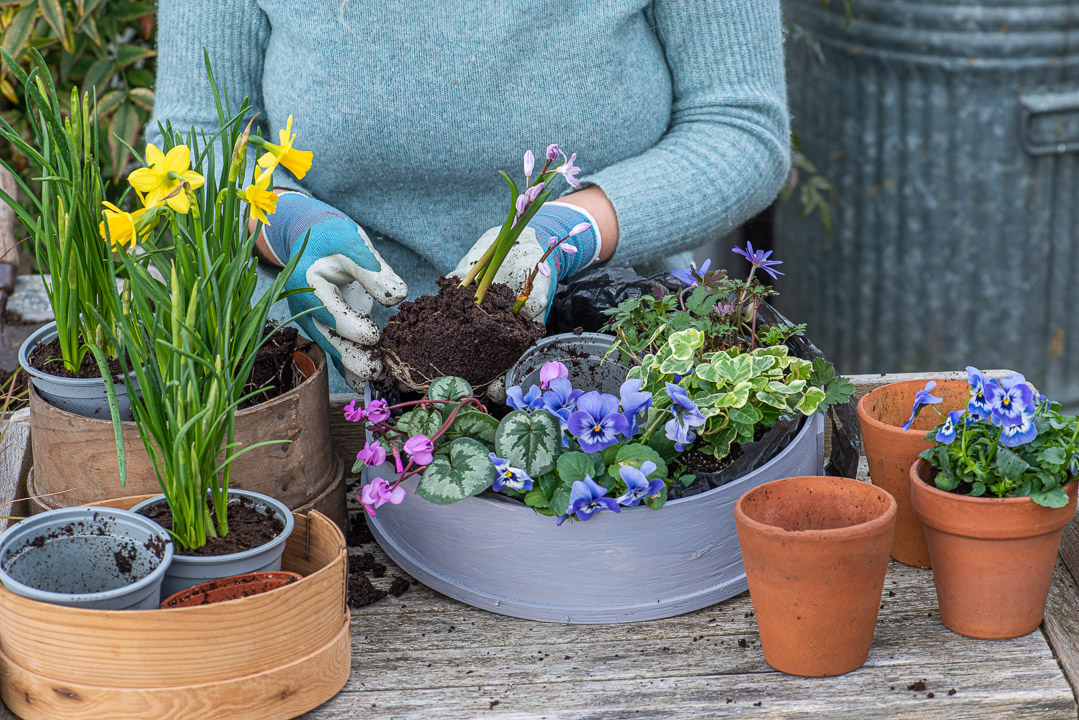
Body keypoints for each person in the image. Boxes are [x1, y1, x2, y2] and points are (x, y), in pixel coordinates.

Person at [149, 1, 790, 391]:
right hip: (321, 382)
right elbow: (192, 143)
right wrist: (284, 223)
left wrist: (570, 229)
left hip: (603, 371)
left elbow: (739, 129)